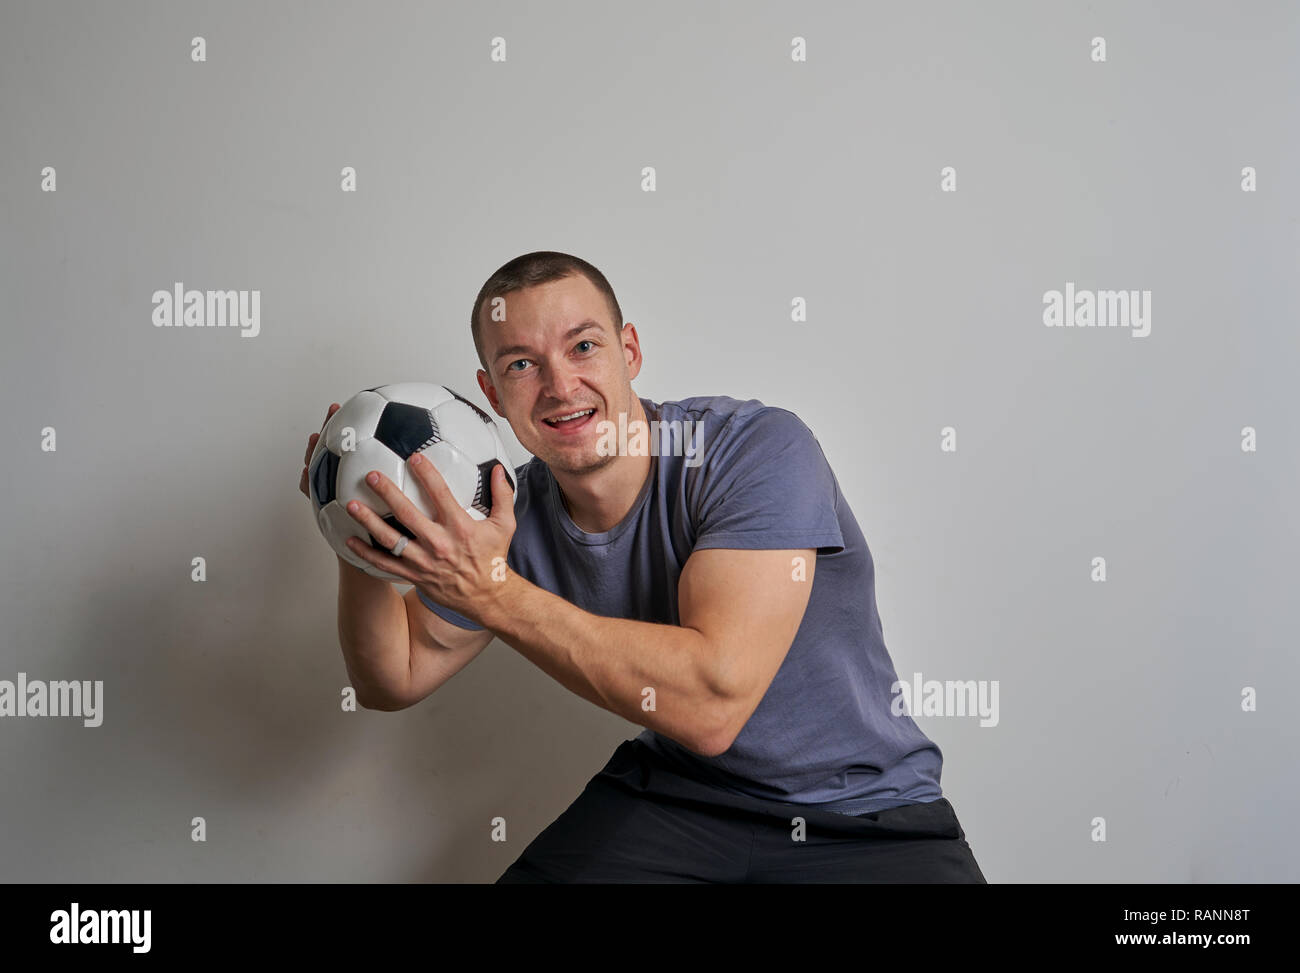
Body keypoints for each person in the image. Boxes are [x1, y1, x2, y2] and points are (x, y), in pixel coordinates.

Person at [298, 251, 987, 883]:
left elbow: (714, 701)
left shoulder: (757, 451)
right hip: (684, 799)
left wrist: (494, 592)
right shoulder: (510, 511)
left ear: (629, 351)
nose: (559, 385)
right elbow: (396, 673)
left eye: (584, 346)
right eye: (520, 364)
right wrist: (357, 530)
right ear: (491, 393)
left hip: (866, 813)